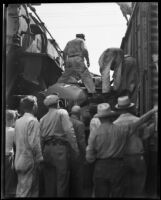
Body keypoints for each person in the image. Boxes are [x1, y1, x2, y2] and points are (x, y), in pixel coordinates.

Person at [86, 102, 157, 198]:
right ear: (111, 116)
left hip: (101, 167)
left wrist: (94, 159)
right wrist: (153, 111)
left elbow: (89, 157)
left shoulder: (95, 133)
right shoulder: (121, 130)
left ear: (99, 118)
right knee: (118, 193)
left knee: (101, 193)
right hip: (118, 166)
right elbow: (140, 121)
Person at [113, 95, 155, 198]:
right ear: (130, 107)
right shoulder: (137, 120)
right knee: (138, 187)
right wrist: (152, 125)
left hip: (121, 158)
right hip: (137, 157)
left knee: (124, 188)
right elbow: (145, 136)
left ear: (118, 109)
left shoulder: (114, 124)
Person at [40, 94, 79, 197]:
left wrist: (41, 154)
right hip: (60, 149)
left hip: (46, 150)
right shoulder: (62, 112)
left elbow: (40, 139)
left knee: (49, 182)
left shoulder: (43, 119)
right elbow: (69, 131)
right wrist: (75, 149)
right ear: (58, 103)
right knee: (62, 180)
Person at [14, 95, 43, 197]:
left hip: (18, 160)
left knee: (21, 190)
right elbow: (34, 143)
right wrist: (40, 159)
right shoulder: (33, 121)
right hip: (29, 161)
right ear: (34, 106)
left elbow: (15, 140)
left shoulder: (18, 121)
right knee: (30, 192)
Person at [69, 105, 86, 197]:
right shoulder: (79, 124)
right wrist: (85, 155)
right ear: (79, 114)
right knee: (78, 179)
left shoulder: (65, 121)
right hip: (77, 155)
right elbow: (81, 142)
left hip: (65, 154)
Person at [5, 109, 19, 197]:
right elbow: (17, 143)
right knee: (8, 177)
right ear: (11, 120)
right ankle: (6, 193)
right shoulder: (12, 131)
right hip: (8, 157)